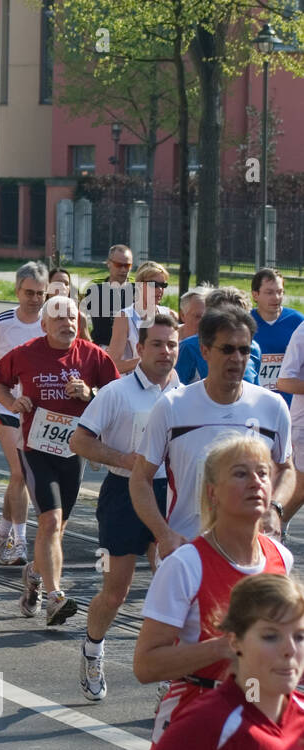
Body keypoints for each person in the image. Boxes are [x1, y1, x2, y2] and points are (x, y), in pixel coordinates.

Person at [118, 573, 304, 750]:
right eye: (270, 636)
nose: (290, 650)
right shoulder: (210, 720)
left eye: (299, 635)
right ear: (235, 642)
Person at [135, 433, 292, 742]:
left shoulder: (280, 558)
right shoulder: (184, 564)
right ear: (213, 493)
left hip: (261, 714)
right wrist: (223, 648)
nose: (255, 482)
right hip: (197, 716)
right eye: (240, 473)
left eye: (262, 473)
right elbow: (146, 665)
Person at [69, 310, 180, 699]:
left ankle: (172, 671)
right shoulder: (117, 392)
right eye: (157, 344)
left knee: (172, 583)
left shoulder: (184, 393)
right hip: (124, 493)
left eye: (172, 344)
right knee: (117, 589)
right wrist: (124, 459)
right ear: (140, 347)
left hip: (171, 493)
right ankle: (93, 647)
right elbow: (79, 442)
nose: (165, 352)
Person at [0, 295, 118, 625]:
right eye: (58, 318)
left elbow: (118, 396)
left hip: (74, 451)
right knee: (49, 520)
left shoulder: (93, 356)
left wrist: (90, 394)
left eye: (72, 317)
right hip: (36, 449)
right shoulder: (26, 353)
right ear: (44, 324)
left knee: (56, 529)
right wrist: (13, 402)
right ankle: (54, 596)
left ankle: (34, 575)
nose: (67, 323)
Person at [130, 302, 293, 558]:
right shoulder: (173, 406)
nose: (237, 358)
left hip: (253, 551)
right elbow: (140, 478)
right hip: (189, 550)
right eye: (227, 349)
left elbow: (285, 468)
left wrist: (274, 508)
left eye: (244, 350)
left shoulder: (272, 406)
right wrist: (163, 534)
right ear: (204, 351)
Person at [0, 262, 47, 566]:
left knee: (20, 475)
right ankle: (17, 542)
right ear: (17, 291)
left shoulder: (49, 323)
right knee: (21, 472)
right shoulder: (1, 322)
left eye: (40, 293)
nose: (35, 299)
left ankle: (3, 529)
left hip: (36, 410)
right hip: (4, 405)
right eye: (29, 293)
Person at [107, 260, 175, 375]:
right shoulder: (124, 317)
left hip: (162, 384)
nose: (159, 290)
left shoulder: (169, 315)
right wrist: (147, 359)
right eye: (154, 285)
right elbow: (113, 365)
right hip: (133, 385)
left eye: (163, 285)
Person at [250, 267, 303, 401]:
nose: (276, 298)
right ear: (255, 295)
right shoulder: (244, 323)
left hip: (290, 403)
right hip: (255, 400)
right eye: (269, 292)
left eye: (280, 292)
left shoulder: (298, 322)